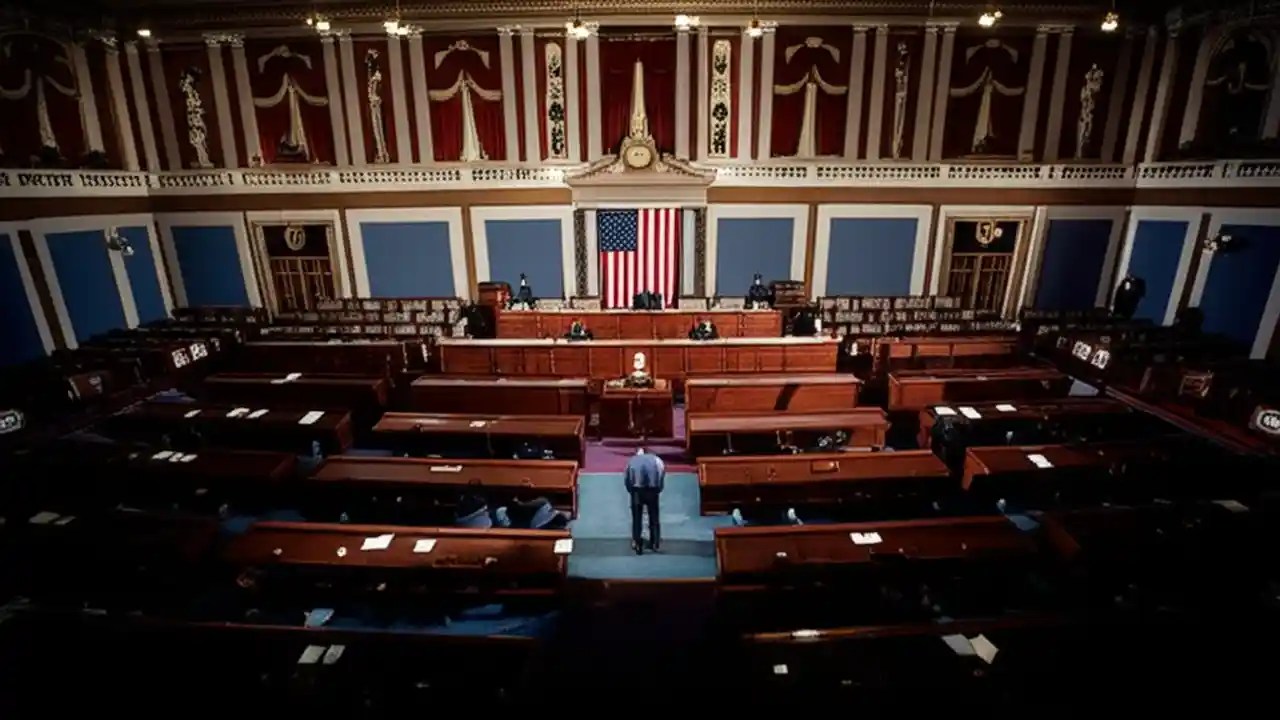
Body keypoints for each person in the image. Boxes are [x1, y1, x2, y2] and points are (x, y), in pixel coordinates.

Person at [623, 447, 665, 554]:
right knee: (654, 517)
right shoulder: (656, 460)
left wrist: (631, 491)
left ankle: (637, 542)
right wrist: (658, 488)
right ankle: (655, 542)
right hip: (652, 490)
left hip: (637, 491)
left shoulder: (632, 461)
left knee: (637, 518)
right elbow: (661, 473)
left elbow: (627, 478)